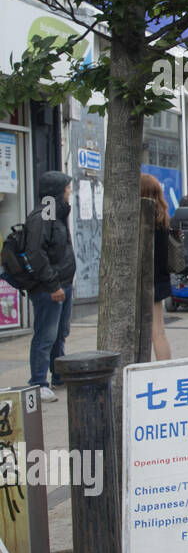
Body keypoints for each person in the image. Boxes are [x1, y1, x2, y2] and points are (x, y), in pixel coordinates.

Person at [23, 172, 76, 402]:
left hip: (63, 284)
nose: (69, 192)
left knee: (59, 334)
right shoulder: (43, 216)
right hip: (49, 288)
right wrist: (53, 284)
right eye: (66, 188)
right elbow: (36, 253)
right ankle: (38, 381)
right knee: (46, 335)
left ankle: (58, 374)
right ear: (56, 191)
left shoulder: (56, 214)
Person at [141, 173, 173, 362]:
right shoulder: (162, 217)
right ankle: (165, 365)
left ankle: (161, 367)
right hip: (160, 279)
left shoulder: (144, 218)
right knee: (158, 330)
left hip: (147, 280)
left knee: (152, 331)